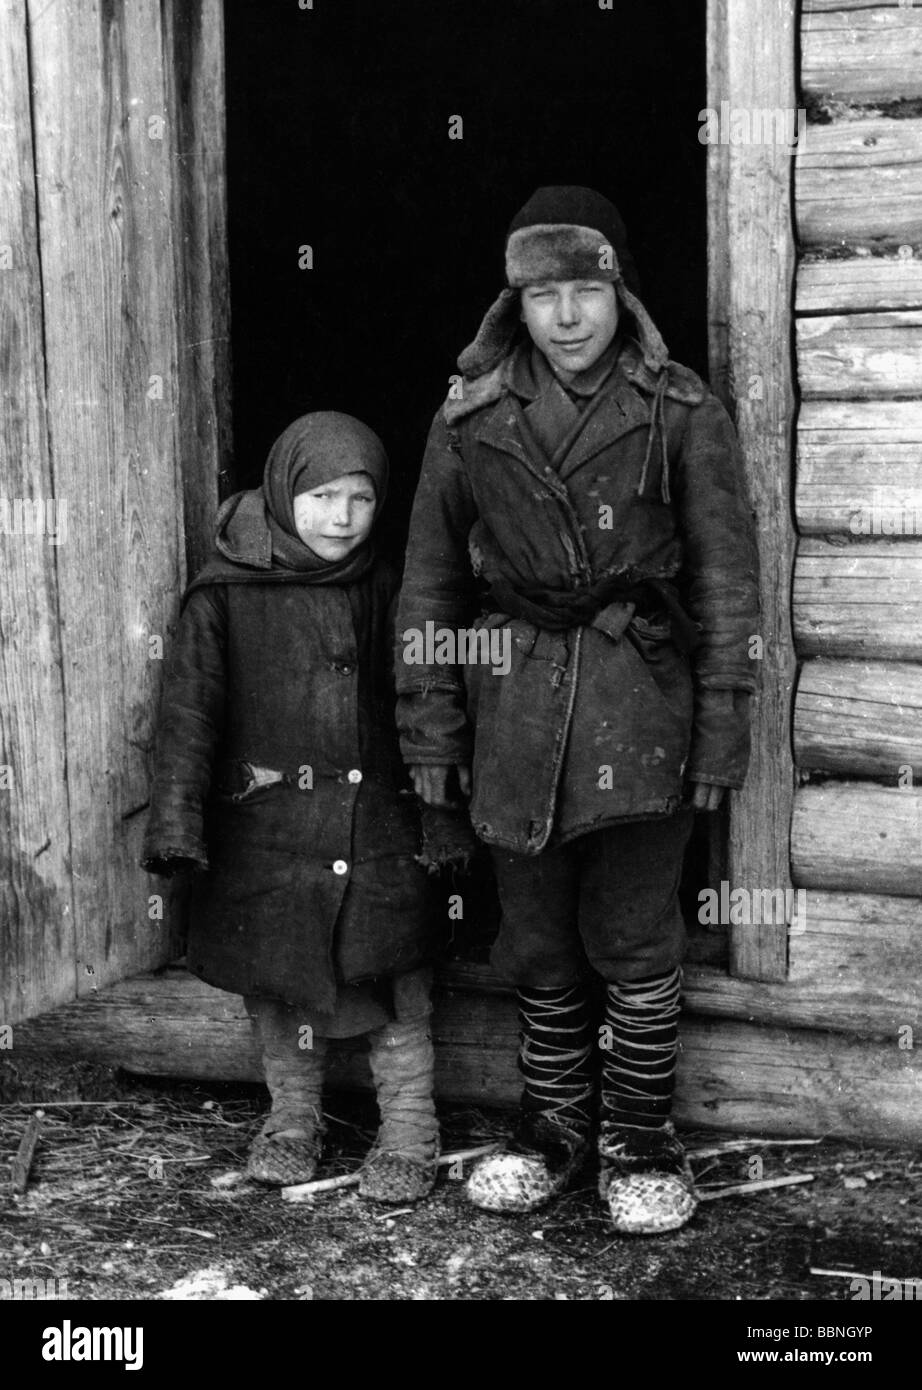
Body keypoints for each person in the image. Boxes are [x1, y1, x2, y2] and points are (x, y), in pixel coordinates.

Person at [396, 186, 759, 1233]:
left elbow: (728, 585)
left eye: (586, 290)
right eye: (543, 293)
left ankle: (640, 1138)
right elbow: (428, 586)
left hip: (639, 701)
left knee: (637, 935)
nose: (567, 317)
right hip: (510, 700)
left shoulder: (679, 411)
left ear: (619, 289)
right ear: (515, 302)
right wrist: (431, 727)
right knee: (538, 938)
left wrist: (722, 724)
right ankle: (551, 1128)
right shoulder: (468, 417)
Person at [141, 412, 439, 1203]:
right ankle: (292, 1121)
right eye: (321, 496)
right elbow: (188, 716)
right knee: (277, 982)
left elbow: (429, 704)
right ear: (281, 491)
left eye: (361, 498)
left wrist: (440, 812)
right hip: (264, 828)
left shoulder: (391, 583)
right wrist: (177, 821)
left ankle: (411, 1131)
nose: (341, 519)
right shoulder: (224, 594)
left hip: (377, 818)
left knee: (394, 978)